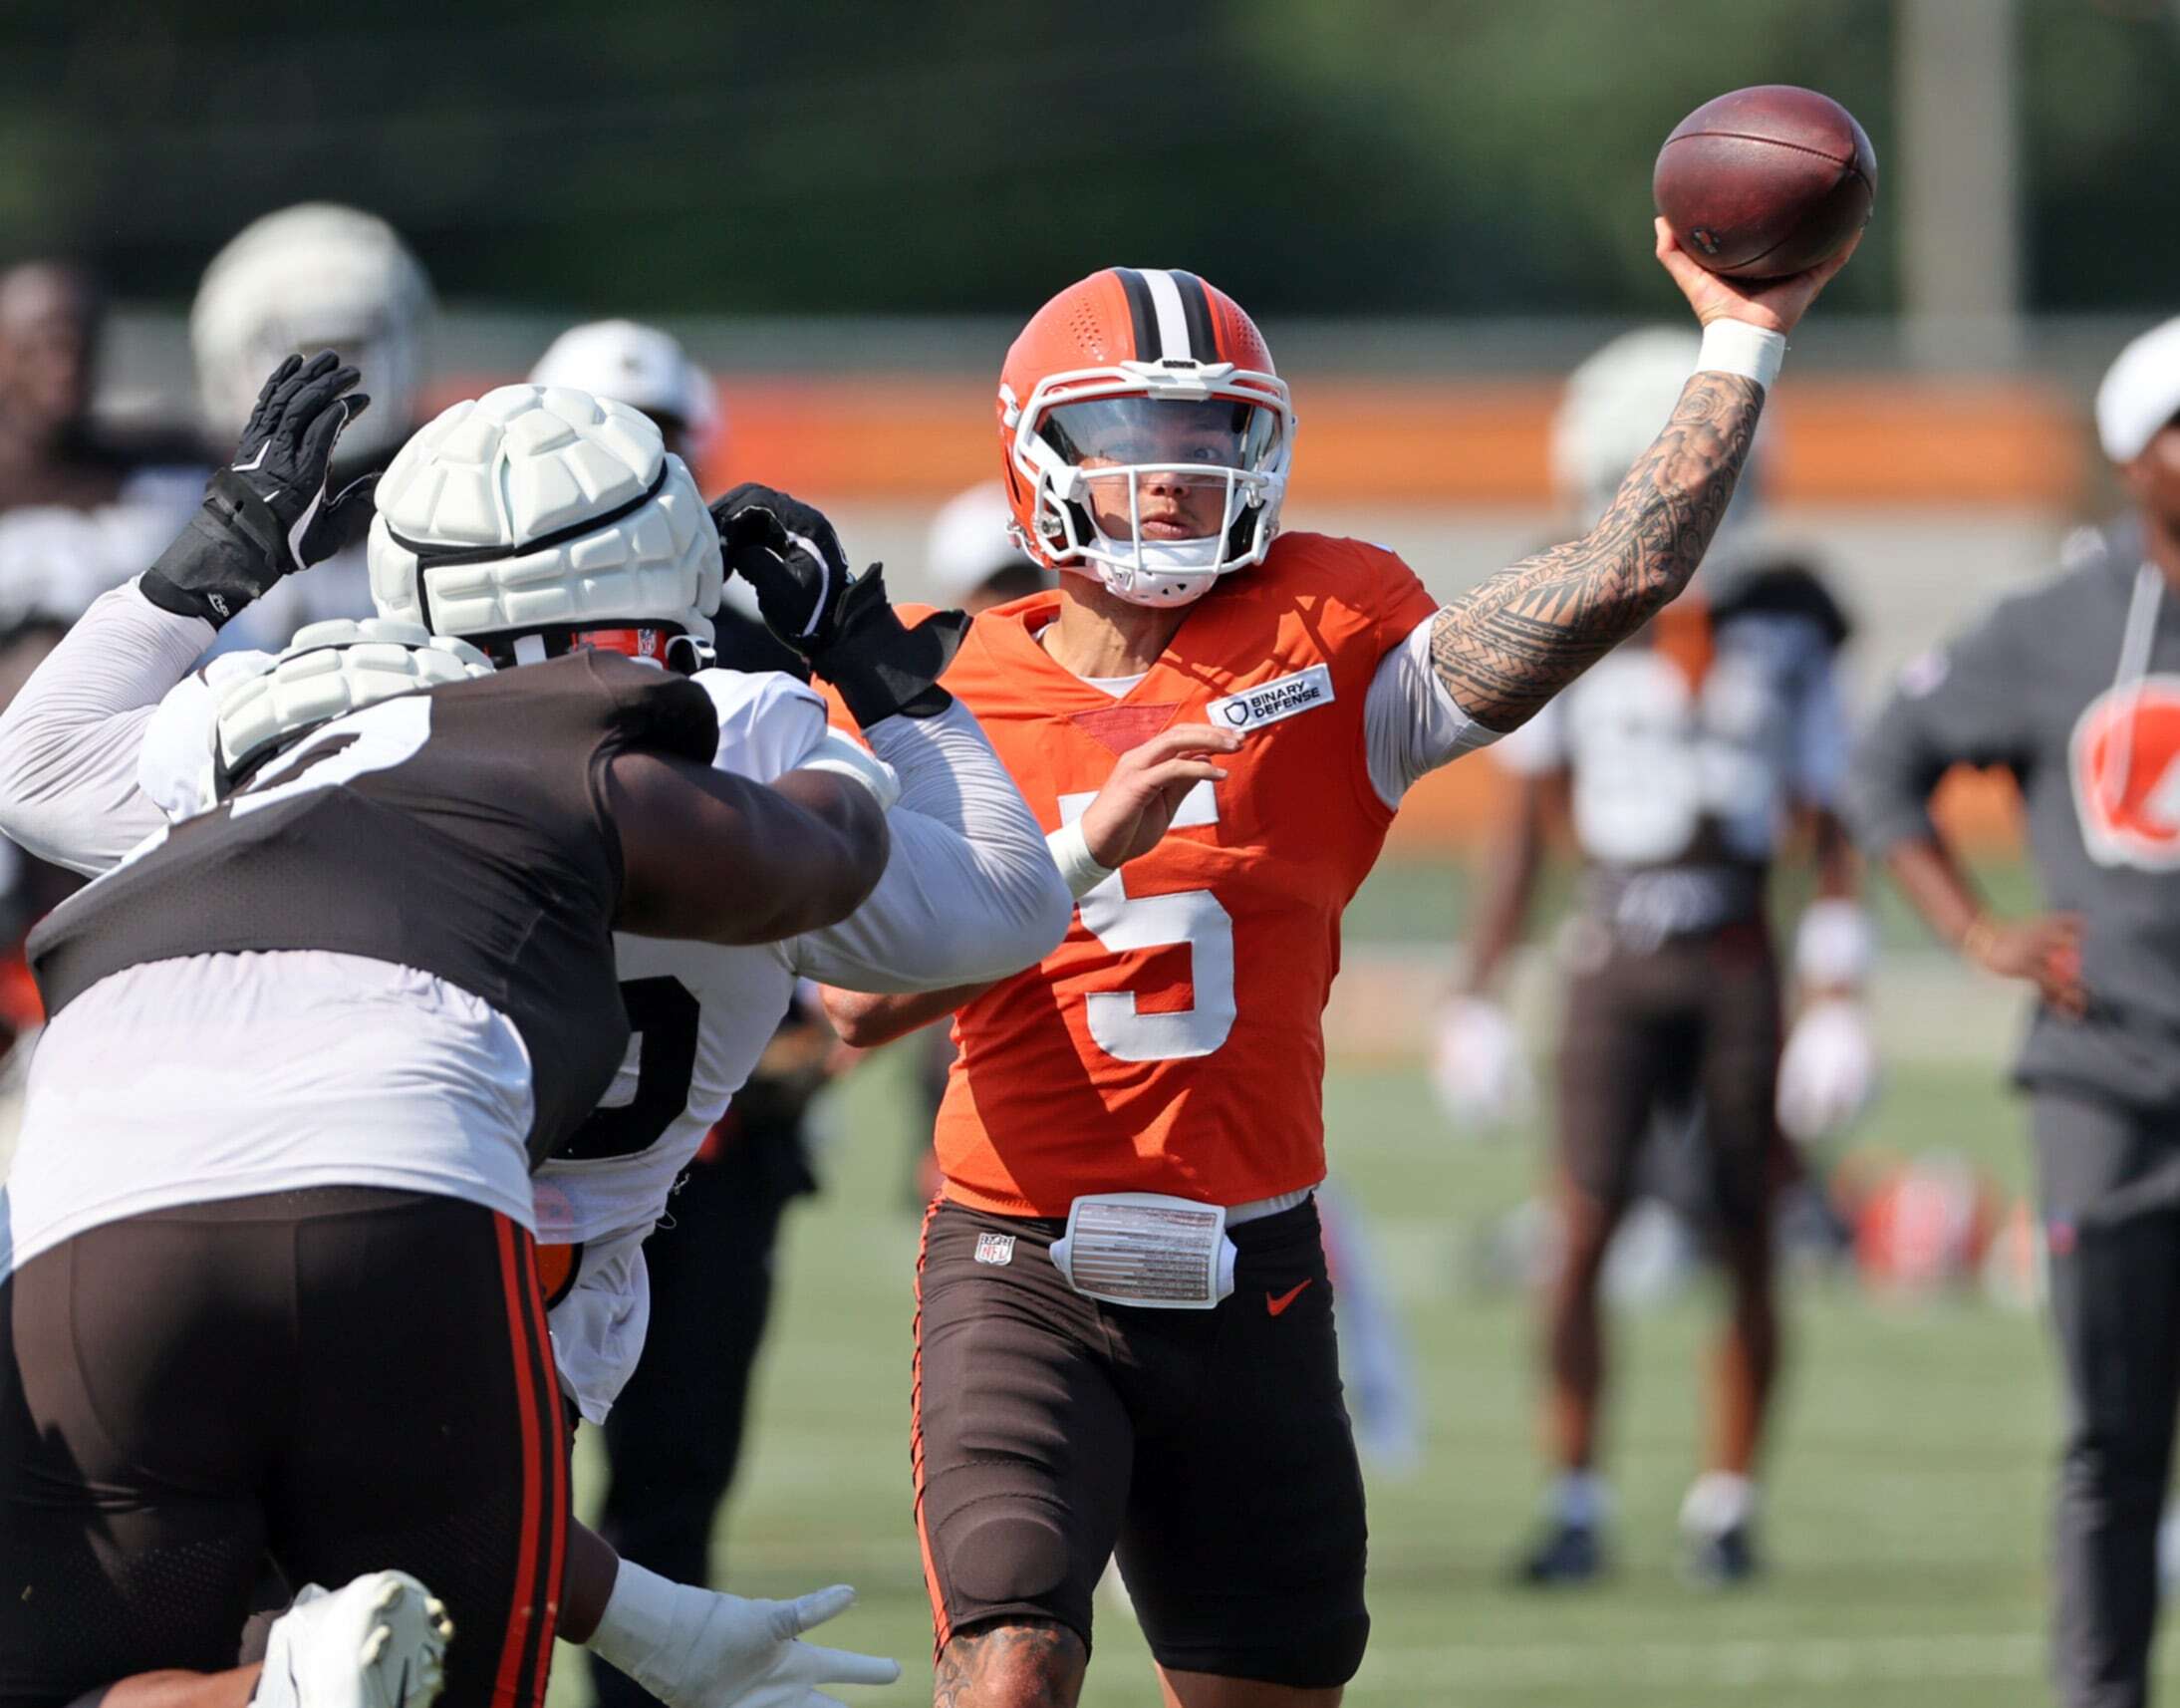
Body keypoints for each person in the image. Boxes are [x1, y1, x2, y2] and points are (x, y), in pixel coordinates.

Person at [805, 231, 1857, 1707]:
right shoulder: (940, 685)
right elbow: (859, 1001)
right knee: (1012, 1669)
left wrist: (1741, 340)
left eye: (1209, 431)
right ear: (1038, 450)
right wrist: (1081, 851)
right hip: (1018, 1256)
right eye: (1131, 433)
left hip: (1256, 1269)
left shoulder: (1332, 635)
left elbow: (1625, 572)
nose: (1174, 471)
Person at [0, 358, 1070, 1705]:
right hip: (449, 1239)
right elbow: (1005, 904)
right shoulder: (737, 728)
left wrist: (218, 555)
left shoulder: (290, 712)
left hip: (101, 1194)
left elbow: (34, 767)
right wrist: (872, 677)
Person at [1438, 327, 1875, 1586]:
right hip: (1614, 950)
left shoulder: (1792, 615)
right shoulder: (1567, 596)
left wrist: (1841, 984)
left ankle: (1726, 1502)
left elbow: (1828, 809)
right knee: (1578, 1227)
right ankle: (1574, 1495)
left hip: (1738, 950)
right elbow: (1524, 817)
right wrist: (1472, 988)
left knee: (1750, 1229)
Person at [1845, 316, 2180, 1708]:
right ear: (2133, 453)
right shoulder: (2057, 622)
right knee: (2112, 1437)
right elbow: (1885, 762)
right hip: (2104, 1077)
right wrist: (1975, 926)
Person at [522, 319, 854, 1708]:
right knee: (447, 1502)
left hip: (698, 1154)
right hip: (512, 1162)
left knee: (670, 1499)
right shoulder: (460, 637)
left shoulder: (765, 655)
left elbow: (873, 894)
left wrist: (812, 1016)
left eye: (663, 436)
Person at [188, 203, 434, 649]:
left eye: (350, 350)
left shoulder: (445, 497)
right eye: (308, 357)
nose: (330, 383)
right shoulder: (168, 504)